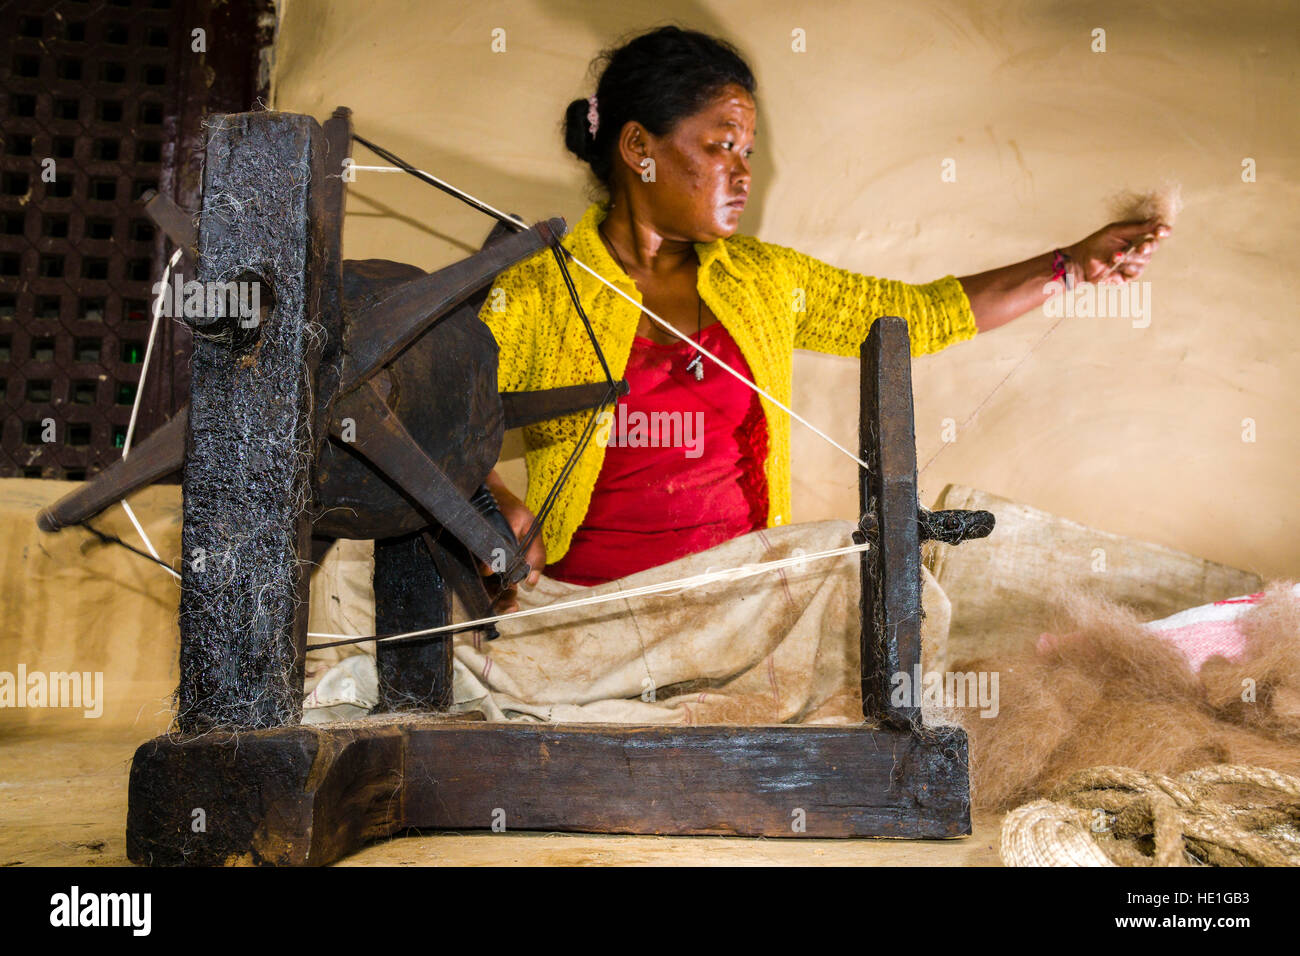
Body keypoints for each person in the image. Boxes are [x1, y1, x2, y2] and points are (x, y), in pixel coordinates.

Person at [476, 24, 1170, 618]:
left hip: (738, 608)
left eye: (749, 151)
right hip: (585, 609)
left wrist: (1075, 265)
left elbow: (921, 315)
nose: (744, 173)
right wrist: (500, 504)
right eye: (722, 146)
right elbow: (441, 433)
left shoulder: (763, 280)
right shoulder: (538, 286)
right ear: (639, 148)